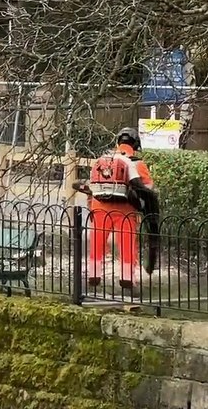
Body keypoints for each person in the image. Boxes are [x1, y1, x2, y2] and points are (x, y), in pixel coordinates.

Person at [73, 127, 160, 297]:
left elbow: (93, 186)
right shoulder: (137, 163)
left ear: (117, 142)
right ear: (135, 145)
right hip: (125, 210)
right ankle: (127, 279)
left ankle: (94, 276)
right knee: (127, 244)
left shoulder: (103, 160)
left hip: (100, 209)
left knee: (97, 242)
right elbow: (148, 189)